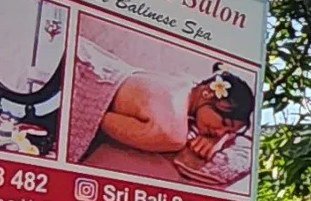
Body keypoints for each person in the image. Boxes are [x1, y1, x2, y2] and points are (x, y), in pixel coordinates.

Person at [97, 67, 257, 165]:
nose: (220, 133)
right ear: (208, 93)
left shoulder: (183, 81)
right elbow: (99, 118)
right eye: (223, 122)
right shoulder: (173, 133)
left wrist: (219, 139)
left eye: (228, 132)